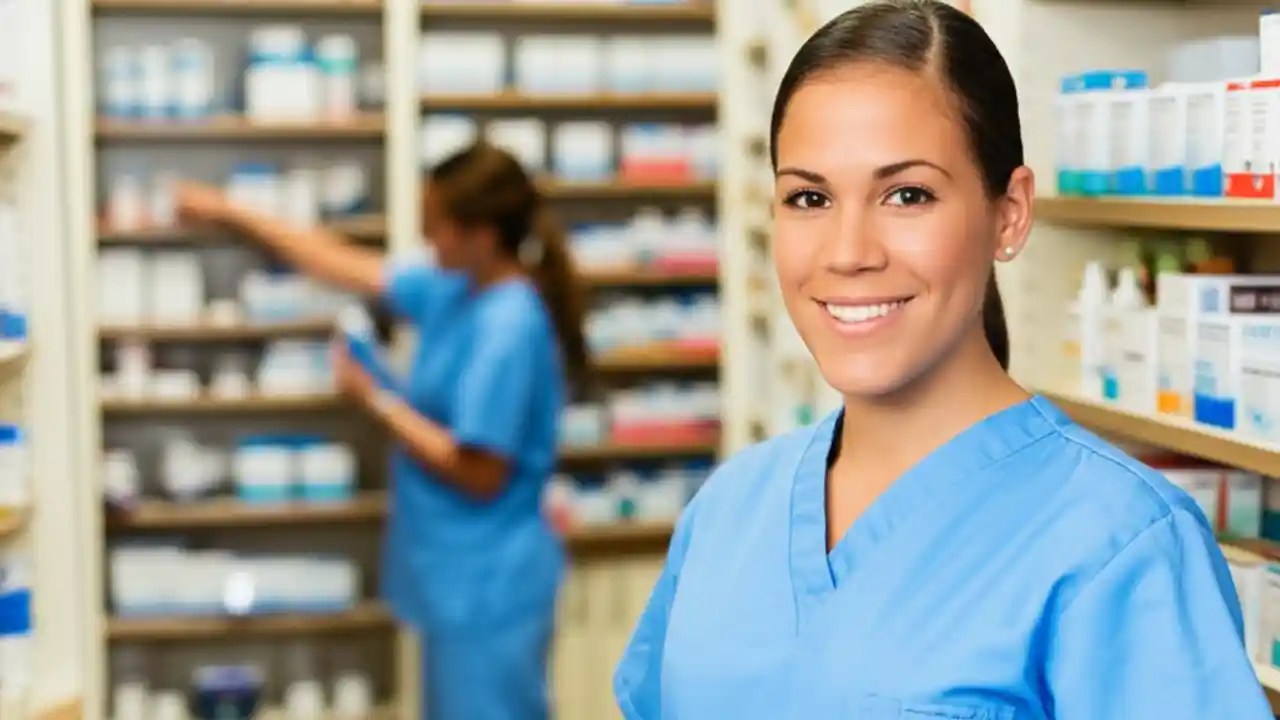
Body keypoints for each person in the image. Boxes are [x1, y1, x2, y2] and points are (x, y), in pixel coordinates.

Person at [613, 2, 1271, 718]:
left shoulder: (1121, 545)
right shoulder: (731, 510)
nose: (848, 253)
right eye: (809, 197)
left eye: (907, 195)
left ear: (1009, 213)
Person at [177, 142, 587, 720]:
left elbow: (480, 472)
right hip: (459, 576)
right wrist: (229, 211)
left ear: (482, 235)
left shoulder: (509, 326)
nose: (425, 237)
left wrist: (374, 397)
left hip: (490, 586)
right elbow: (337, 262)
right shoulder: (458, 289)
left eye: (436, 225)